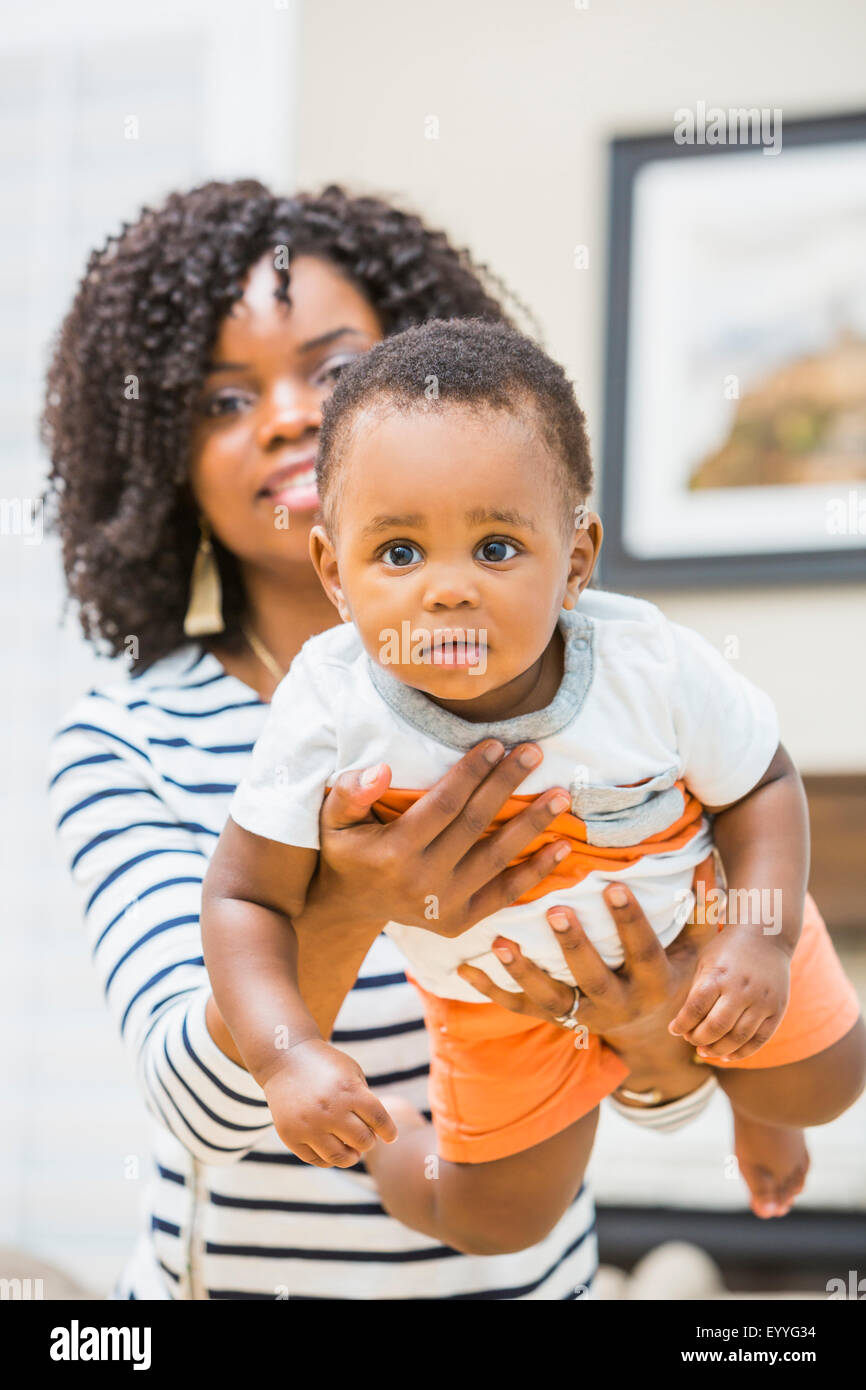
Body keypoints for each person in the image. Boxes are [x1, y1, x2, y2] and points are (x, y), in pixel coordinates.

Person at [44, 179, 714, 1300]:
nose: (288, 415)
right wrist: (354, 899)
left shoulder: (593, 691)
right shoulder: (127, 743)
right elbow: (201, 1112)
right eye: (219, 400)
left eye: (332, 368)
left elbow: (671, 1094)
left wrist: (652, 1036)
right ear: (158, 456)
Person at [202, 318, 866, 1256]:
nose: (447, 590)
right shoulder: (327, 705)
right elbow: (242, 896)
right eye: (398, 553)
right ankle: (395, 1145)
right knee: (493, 1223)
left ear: (576, 562)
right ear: (334, 572)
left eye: (497, 548)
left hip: (704, 930)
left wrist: (760, 934)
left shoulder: (648, 664)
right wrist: (290, 1057)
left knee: (826, 1085)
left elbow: (762, 781)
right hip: (496, 996)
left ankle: (750, 1091)